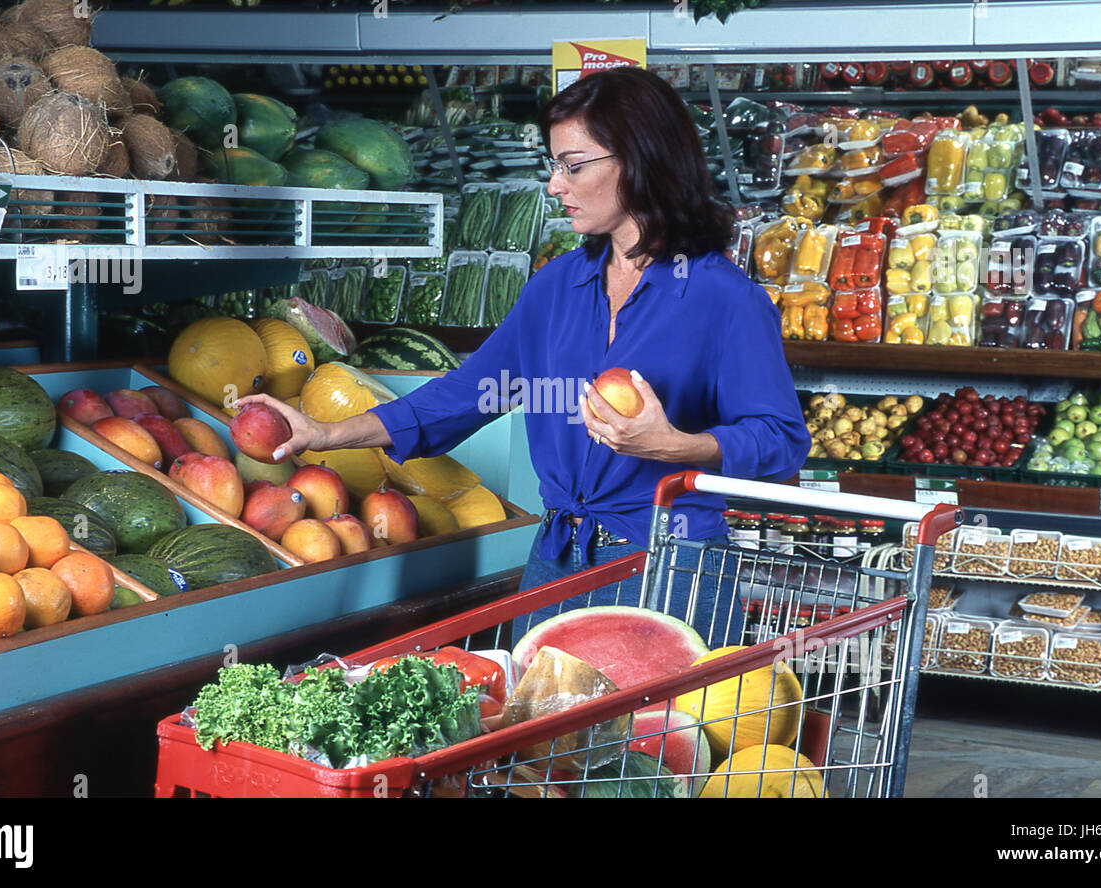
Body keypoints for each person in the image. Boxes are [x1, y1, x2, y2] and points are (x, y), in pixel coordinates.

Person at [239, 66, 810, 643]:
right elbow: (466, 396)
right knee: (541, 732)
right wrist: (322, 433)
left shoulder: (724, 299)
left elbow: (783, 440)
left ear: (641, 162)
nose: (556, 186)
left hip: (671, 565)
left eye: (574, 165)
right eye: (555, 166)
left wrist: (680, 447)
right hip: (559, 560)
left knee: (662, 734)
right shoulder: (556, 286)